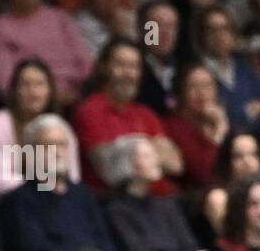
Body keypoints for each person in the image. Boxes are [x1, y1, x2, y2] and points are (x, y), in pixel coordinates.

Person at [0, 115, 115, 251]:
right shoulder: (18, 201)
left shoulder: (84, 195)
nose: (57, 152)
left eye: (62, 145)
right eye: (48, 146)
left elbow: (105, 245)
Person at [71, 38, 182, 194]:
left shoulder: (146, 113)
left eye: (134, 67)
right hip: (116, 204)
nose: (128, 73)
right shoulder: (89, 111)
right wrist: (150, 146)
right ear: (103, 68)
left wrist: (123, 147)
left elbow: (175, 164)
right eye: (121, 65)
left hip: (160, 201)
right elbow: (111, 172)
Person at [0, 58, 80, 204]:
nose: (33, 91)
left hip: (54, 207)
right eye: (25, 85)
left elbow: (73, 179)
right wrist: (45, 187)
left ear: (51, 90)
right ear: (14, 90)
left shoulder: (61, 128)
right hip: (4, 209)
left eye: (40, 84)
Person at [103, 135, 206, 251]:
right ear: (128, 164)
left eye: (154, 154)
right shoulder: (117, 210)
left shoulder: (167, 205)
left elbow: (191, 247)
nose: (156, 160)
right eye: (147, 156)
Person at [191, 4, 260, 133]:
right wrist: (247, 112)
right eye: (212, 30)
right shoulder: (197, 72)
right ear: (202, 35)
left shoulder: (244, 68)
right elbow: (209, 118)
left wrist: (238, 115)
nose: (220, 36)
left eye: (225, 29)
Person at [161, 61, 232, 190]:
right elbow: (202, 174)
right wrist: (219, 132)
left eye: (207, 86)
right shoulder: (174, 126)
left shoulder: (221, 119)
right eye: (193, 87)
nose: (201, 93)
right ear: (182, 92)